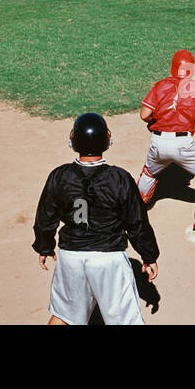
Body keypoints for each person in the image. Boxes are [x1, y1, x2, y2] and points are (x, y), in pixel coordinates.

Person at [33, 113, 160, 325]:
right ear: (106, 140)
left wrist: (45, 247)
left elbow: (45, 218)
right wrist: (149, 255)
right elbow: (137, 223)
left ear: (73, 141)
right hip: (108, 259)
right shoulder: (120, 178)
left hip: (70, 258)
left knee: (64, 316)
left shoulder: (60, 175)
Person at [137, 50, 195, 240]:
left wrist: (155, 120)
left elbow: (144, 115)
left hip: (158, 143)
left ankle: (133, 208)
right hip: (184, 144)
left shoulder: (160, 85)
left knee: (150, 173)